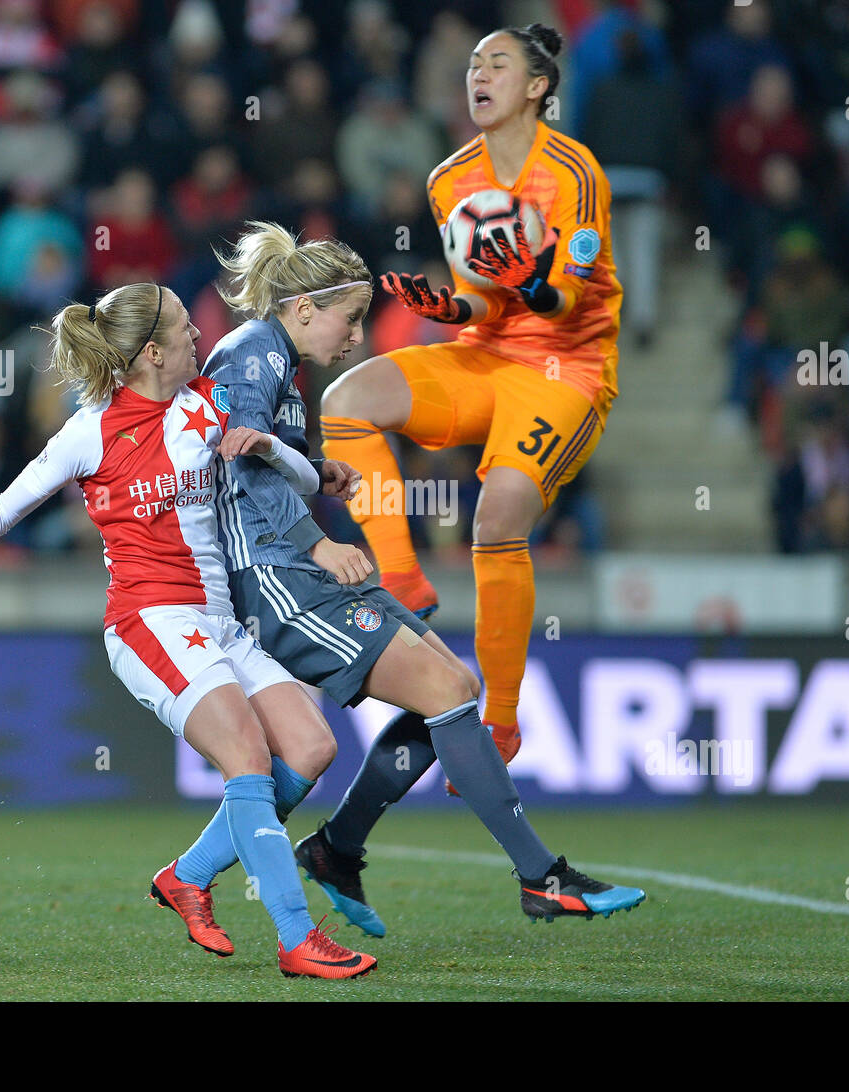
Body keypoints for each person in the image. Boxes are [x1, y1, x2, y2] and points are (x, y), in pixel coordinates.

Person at [170, 221, 644, 938]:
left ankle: (335, 849)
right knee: (448, 692)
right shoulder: (253, 353)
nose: (358, 337)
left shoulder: (279, 365)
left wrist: (318, 473)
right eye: (351, 319)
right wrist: (318, 542)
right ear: (303, 309)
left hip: (297, 567)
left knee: (453, 687)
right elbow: (240, 459)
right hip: (277, 580)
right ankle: (541, 878)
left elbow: (262, 455)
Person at [0, 281, 375, 980]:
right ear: (153, 351)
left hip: (222, 622)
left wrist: (281, 454)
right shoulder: (91, 428)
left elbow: (299, 474)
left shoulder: (211, 406)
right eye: (187, 328)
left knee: (311, 748)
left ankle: (187, 876)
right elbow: (11, 503)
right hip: (150, 621)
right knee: (246, 757)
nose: (201, 336)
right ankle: (297, 938)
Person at [320, 23, 620, 774]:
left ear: (538, 87)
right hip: (487, 354)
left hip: (566, 367)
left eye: (497, 64)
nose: (478, 76)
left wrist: (526, 284)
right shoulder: (450, 178)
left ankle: (504, 721)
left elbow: (560, 303)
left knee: (496, 518)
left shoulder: (575, 172)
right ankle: (402, 580)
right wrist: (452, 309)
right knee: (346, 400)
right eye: (472, 66)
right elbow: (485, 303)